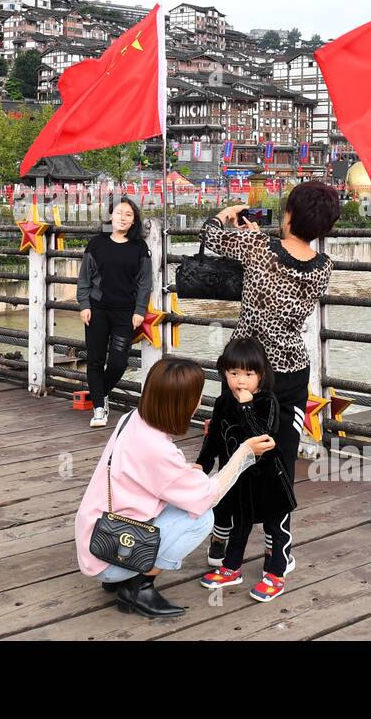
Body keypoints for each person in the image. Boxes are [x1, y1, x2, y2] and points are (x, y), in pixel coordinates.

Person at [198, 180, 342, 577]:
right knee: (277, 462)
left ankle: (223, 542)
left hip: (243, 373)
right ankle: (278, 553)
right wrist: (261, 239)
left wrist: (227, 215)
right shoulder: (323, 267)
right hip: (291, 375)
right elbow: (285, 272)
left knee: (234, 451)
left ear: (290, 213)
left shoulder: (257, 248)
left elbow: (209, 234)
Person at [75, 357, 277, 618]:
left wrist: (184, 474)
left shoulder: (133, 418)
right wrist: (244, 453)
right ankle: (138, 587)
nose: (198, 402)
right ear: (182, 403)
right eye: (196, 397)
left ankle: (119, 579)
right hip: (109, 556)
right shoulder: (158, 451)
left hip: (97, 536)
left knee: (188, 499)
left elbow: (148, 474)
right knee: (202, 518)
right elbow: (209, 497)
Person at [195, 337, 301, 602]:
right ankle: (232, 567)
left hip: (269, 478)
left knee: (276, 526)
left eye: (248, 374)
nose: (241, 381)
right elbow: (215, 440)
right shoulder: (222, 404)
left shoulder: (268, 402)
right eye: (233, 373)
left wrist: (246, 405)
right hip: (238, 478)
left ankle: (276, 573)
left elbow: (261, 437)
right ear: (224, 373)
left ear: (260, 375)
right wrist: (202, 465)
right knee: (239, 524)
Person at [76, 197, 152, 428]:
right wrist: (84, 305)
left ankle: (100, 393)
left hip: (125, 314)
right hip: (97, 310)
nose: (122, 218)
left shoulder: (139, 248)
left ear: (133, 220)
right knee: (95, 361)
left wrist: (140, 309)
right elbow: (84, 279)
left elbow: (144, 283)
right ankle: (99, 408)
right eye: (119, 213)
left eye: (128, 214)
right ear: (111, 216)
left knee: (119, 362)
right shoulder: (96, 244)